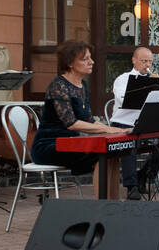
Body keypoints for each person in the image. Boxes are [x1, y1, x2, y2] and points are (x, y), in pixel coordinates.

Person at [30, 40, 116, 174]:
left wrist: (115, 130)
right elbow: (71, 123)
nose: (91, 62)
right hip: (49, 146)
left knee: (111, 155)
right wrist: (109, 130)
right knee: (101, 154)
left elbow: (89, 120)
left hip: (71, 143)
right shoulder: (58, 85)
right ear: (70, 63)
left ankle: (110, 196)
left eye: (90, 58)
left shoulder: (82, 85)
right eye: (85, 59)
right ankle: (103, 196)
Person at [110, 45, 155, 200]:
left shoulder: (153, 80)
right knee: (129, 142)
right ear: (134, 60)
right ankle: (131, 186)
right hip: (122, 124)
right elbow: (125, 99)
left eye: (150, 61)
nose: (148, 65)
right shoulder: (123, 79)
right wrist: (151, 90)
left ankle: (144, 175)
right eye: (144, 61)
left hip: (144, 125)